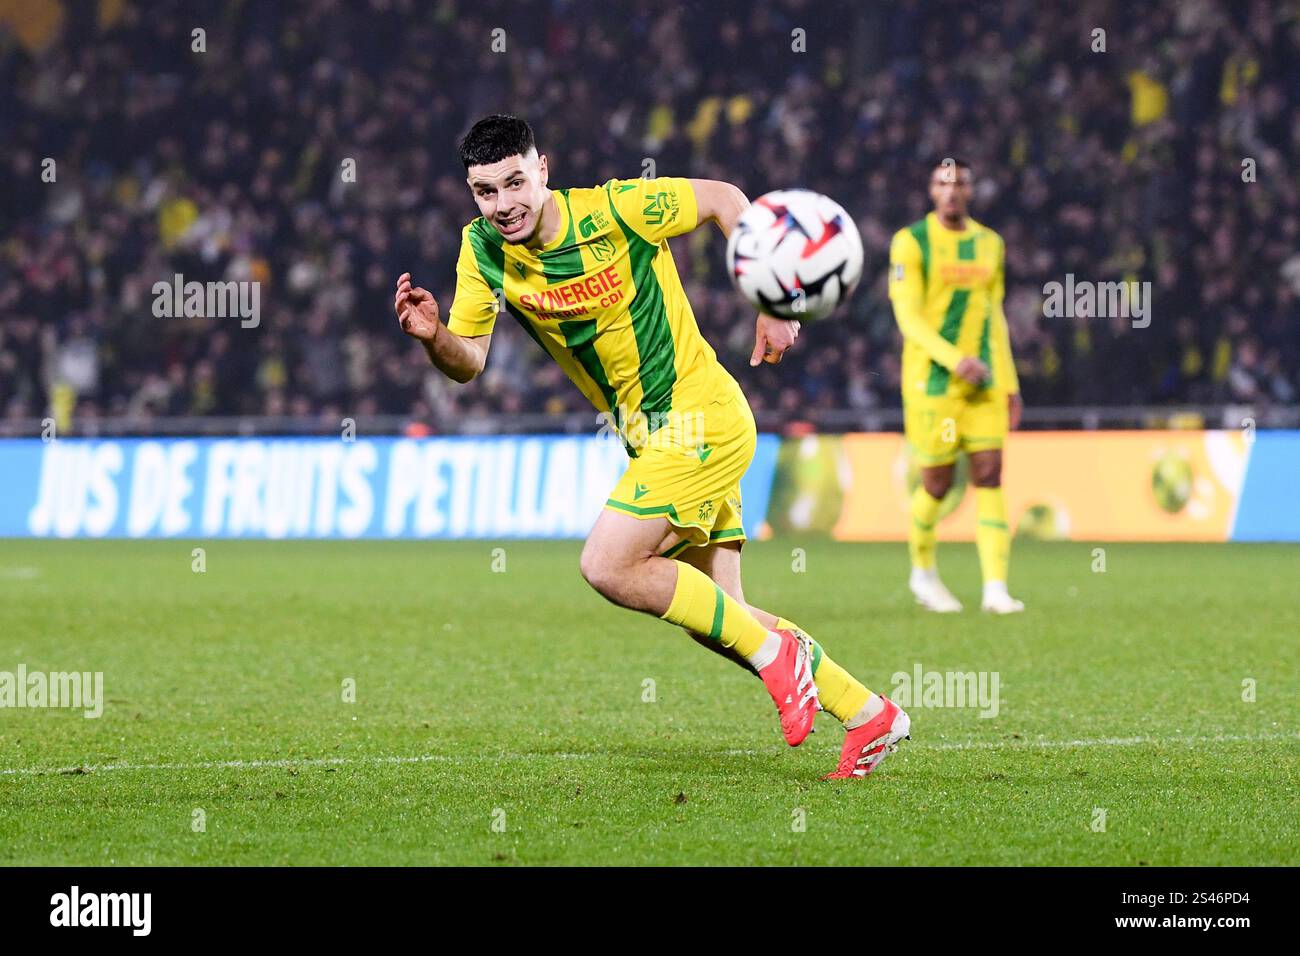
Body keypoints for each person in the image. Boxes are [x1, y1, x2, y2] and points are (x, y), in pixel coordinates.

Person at [395, 114, 909, 779]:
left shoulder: (617, 208)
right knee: (722, 620)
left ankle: (783, 662)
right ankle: (869, 715)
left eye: (515, 183)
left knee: (607, 564)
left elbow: (725, 198)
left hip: (701, 421)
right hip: (652, 444)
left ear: (543, 170)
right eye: (485, 192)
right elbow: (468, 363)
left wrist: (776, 303)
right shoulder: (483, 250)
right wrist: (434, 336)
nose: (504, 205)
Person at [889, 158, 1024, 614]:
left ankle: (996, 589)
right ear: (931, 190)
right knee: (937, 484)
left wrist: (1009, 382)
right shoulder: (912, 242)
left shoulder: (991, 244)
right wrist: (953, 359)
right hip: (934, 385)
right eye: (943, 183)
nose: (951, 191)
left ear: (971, 190)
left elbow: (995, 314)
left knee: (990, 475)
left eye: (960, 183)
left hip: (984, 384)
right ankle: (923, 574)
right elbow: (908, 317)